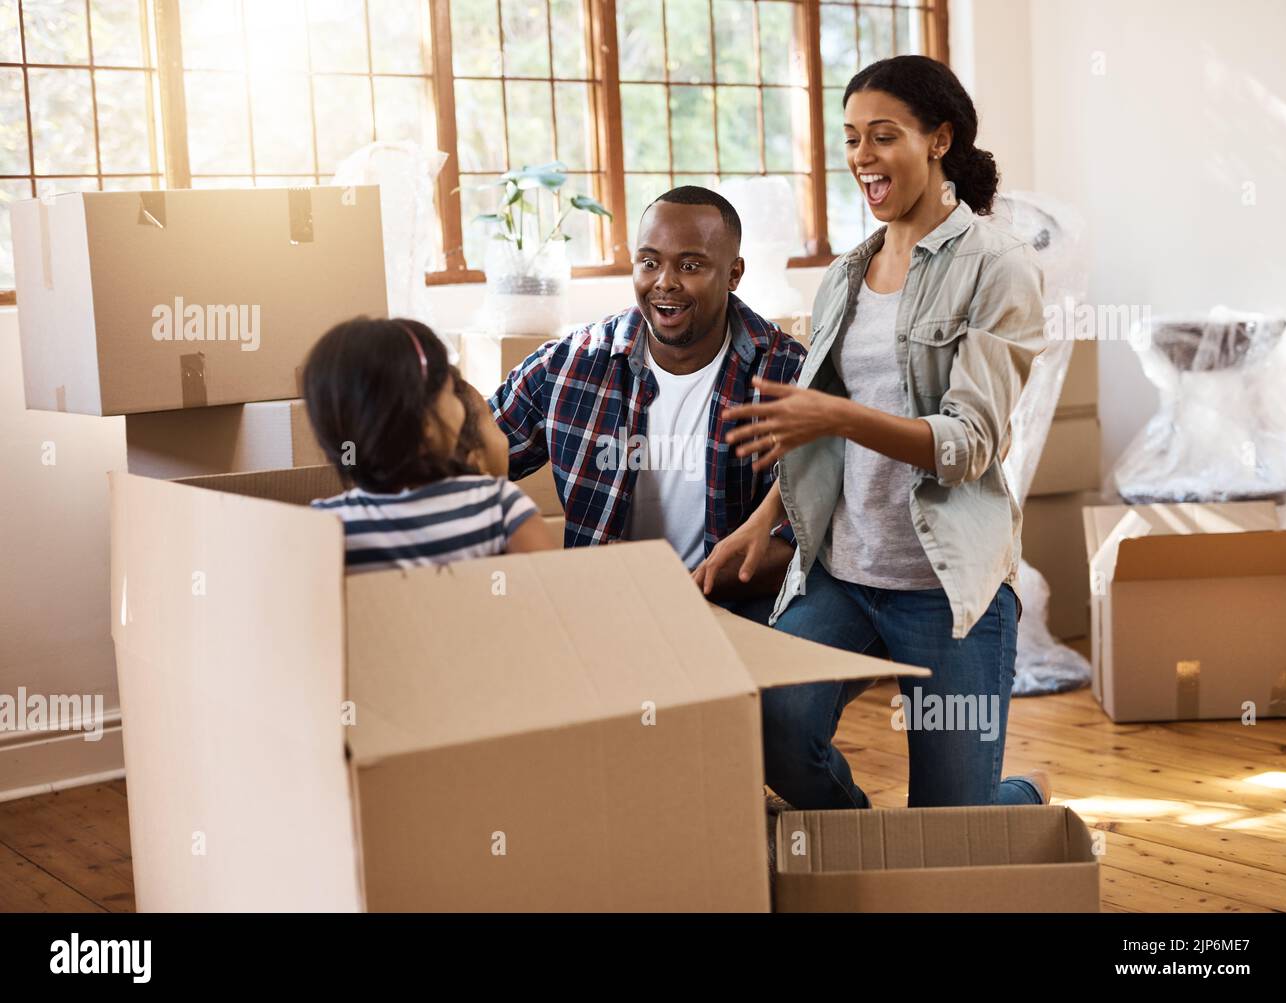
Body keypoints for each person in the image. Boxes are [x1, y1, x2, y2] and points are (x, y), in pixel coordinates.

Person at [695, 55, 1052, 809]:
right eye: (851, 137)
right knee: (774, 725)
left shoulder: (999, 267)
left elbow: (968, 444)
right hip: (845, 572)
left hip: (947, 586)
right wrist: (764, 523)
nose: (861, 156)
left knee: (950, 833)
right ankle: (863, 839)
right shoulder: (845, 274)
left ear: (939, 139)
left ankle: (1011, 803)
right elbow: (823, 437)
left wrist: (837, 415)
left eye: (882, 136)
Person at [489, 186, 805, 610]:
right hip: (601, 610)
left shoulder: (786, 374)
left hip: (730, 606)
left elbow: (803, 533)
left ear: (734, 274)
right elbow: (468, 462)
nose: (665, 283)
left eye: (690, 265)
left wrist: (689, 589)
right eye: (649, 262)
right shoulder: (570, 364)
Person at [303, 316, 554, 573]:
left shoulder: (325, 527)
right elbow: (554, 594)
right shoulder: (500, 508)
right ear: (426, 426)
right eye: (450, 393)